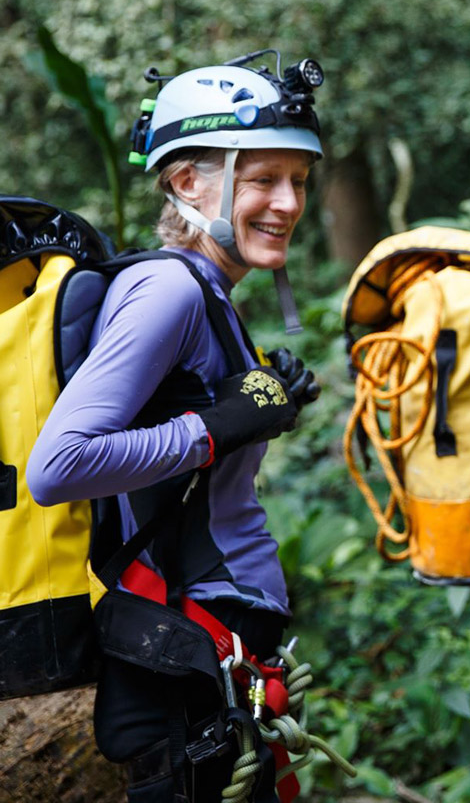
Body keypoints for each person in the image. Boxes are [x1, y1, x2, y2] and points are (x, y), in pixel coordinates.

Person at [27, 51, 324, 803]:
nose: (287, 202)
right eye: (262, 179)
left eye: (298, 181)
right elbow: (57, 466)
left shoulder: (208, 291)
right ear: (188, 182)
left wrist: (247, 409)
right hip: (177, 647)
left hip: (207, 650)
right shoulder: (169, 290)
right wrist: (214, 425)